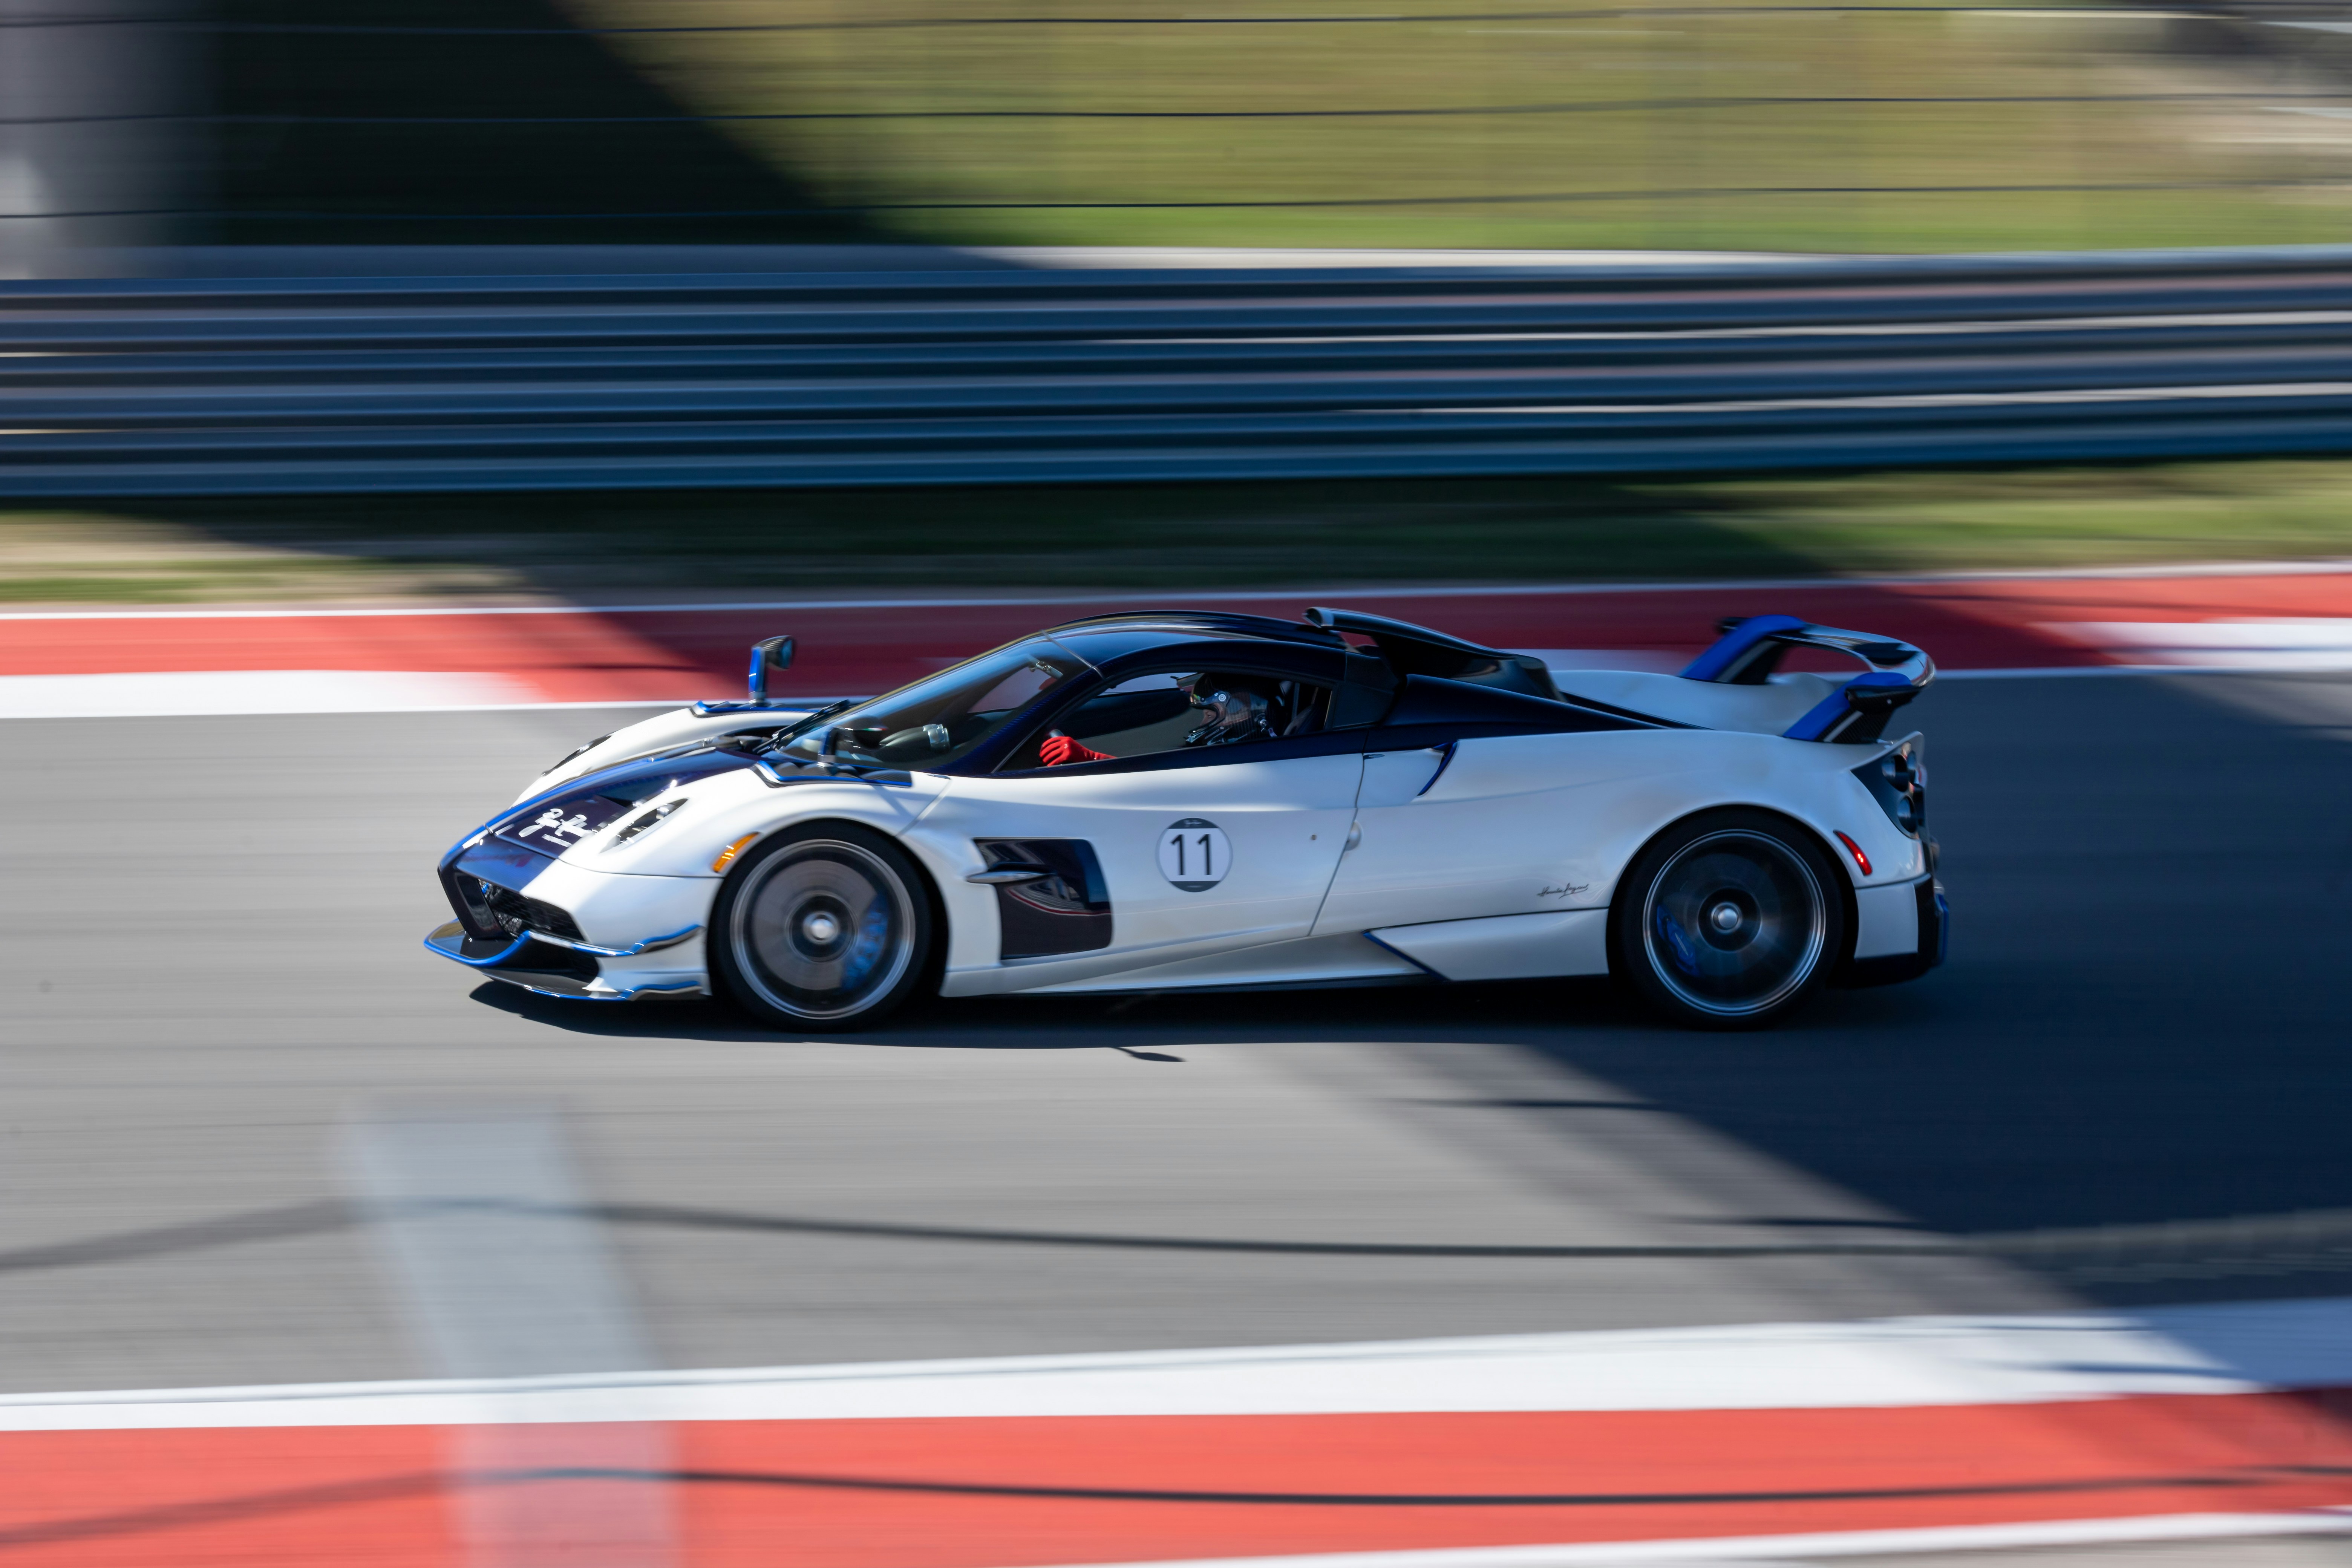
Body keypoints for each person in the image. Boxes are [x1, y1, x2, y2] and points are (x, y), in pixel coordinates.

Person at [1039, 672, 1280, 766]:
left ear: (1244, 715)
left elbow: (1153, 788)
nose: (1201, 725)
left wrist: (1092, 760)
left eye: (1209, 715)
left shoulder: (1239, 767)